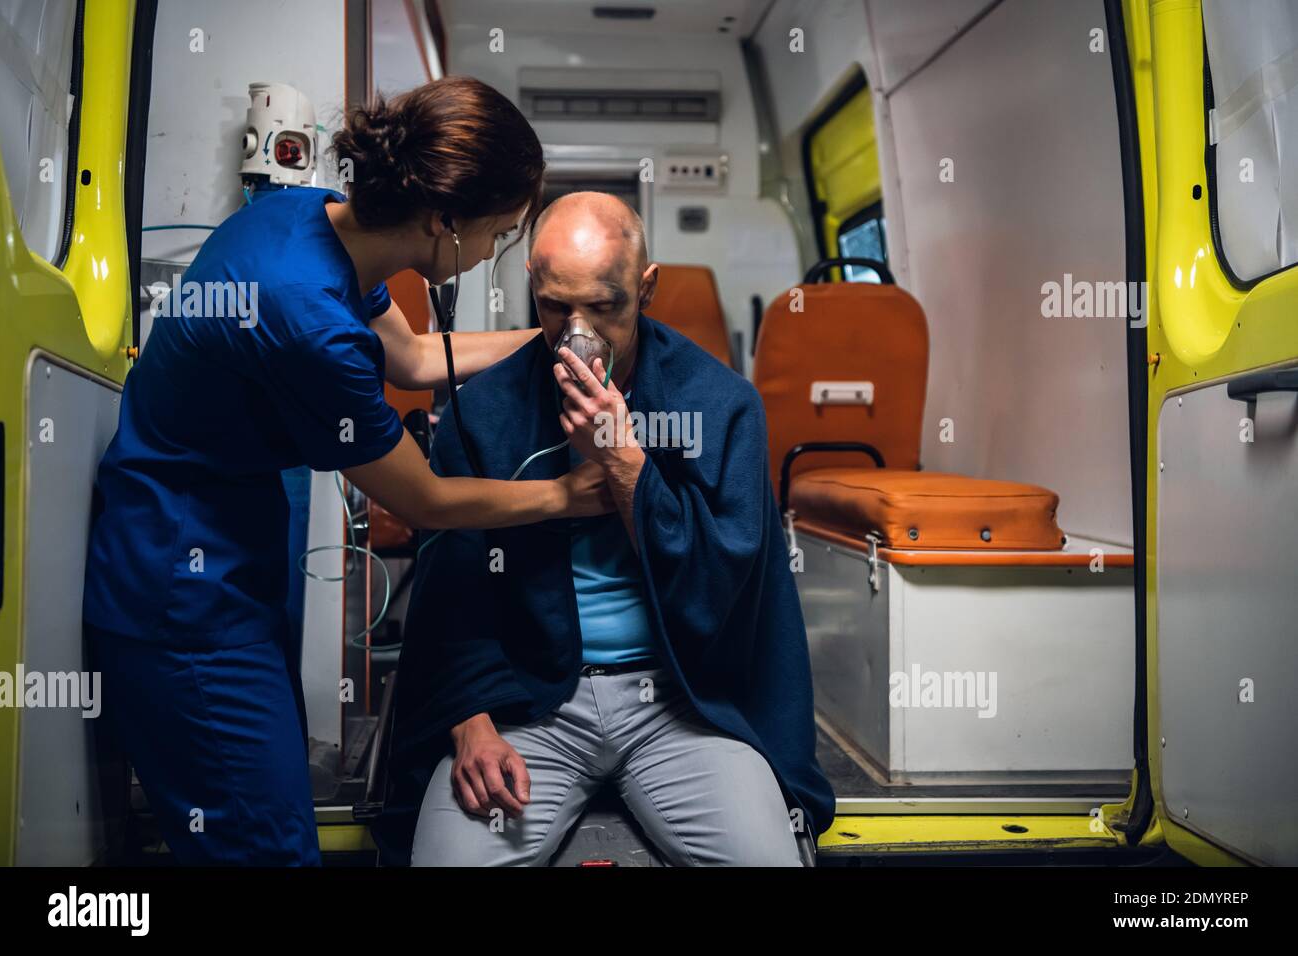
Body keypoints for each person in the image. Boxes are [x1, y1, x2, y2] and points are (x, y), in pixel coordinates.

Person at [81, 77, 610, 865]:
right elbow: (425, 500)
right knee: (267, 851)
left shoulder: (305, 216)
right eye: (500, 234)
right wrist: (572, 493)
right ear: (445, 222)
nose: (497, 249)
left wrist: (555, 337)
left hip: (220, 552)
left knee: (259, 818)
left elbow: (416, 356)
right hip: (181, 599)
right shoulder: (308, 322)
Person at [378, 192, 835, 866]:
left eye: (604, 306)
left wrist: (624, 461)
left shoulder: (720, 404)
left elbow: (723, 590)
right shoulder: (484, 411)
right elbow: (453, 594)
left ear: (646, 289)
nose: (576, 331)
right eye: (557, 306)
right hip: (527, 704)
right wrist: (470, 722)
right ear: (532, 283)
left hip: (682, 704)